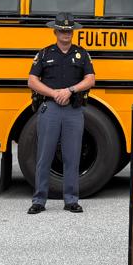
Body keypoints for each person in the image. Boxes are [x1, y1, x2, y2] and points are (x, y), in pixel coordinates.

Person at [27, 13, 96, 215]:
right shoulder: (45, 53)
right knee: (44, 155)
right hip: (50, 109)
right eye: (62, 30)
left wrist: (70, 91)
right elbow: (32, 80)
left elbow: (90, 79)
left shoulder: (82, 54)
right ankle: (39, 200)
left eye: (69, 30)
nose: (66, 33)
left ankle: (71, 200)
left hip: (73, 110)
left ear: (73, 32)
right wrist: (54, 93)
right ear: (55, 32)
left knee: (72, 156)